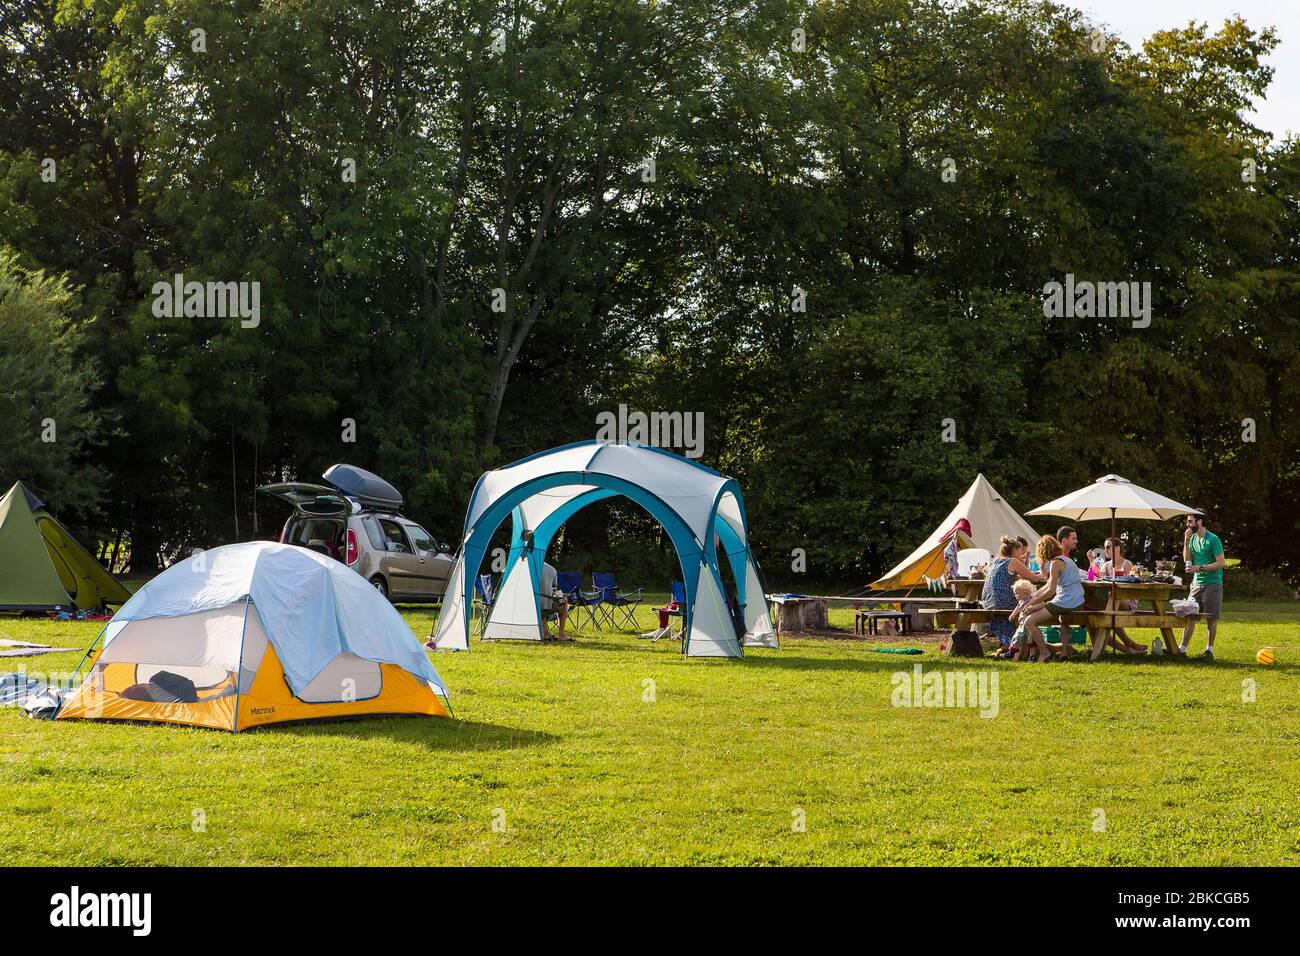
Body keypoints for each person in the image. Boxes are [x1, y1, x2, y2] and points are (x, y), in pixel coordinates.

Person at [1021, 531, 1087, 661]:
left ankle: (1044, 652)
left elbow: (1051, 590)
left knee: (1030, 621)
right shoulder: (1066, 560)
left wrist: (1032, 604)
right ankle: (1063, 653)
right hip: (1077, 601)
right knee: (1064, 620)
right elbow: (1048, 586)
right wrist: (1033, 598)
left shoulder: (1055, 563)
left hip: (1067, 602)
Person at [980, 535, 1046, 652]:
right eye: (1020, 549)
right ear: (1014, 550)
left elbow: (1019, 577)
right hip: (1002, 601)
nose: (1023, 552)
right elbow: (1034, 579)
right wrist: (1044, 573)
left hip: (988, 601)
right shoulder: (1013, 561)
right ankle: (1033, 645)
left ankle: (1018, 643)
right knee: (1032, 605)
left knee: (1025, 600)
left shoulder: (996, 560)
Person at [1180, 512, 1225, 660]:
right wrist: (1186, 542)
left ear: (1199, 522)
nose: (1188, 524)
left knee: (1210, 618)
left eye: (1190, 521)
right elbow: (1187, 559)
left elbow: (1221, 563)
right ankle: (1181, 650)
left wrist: (1199, 568)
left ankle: (1209, 651)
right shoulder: (1192, 538)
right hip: (1196, 584)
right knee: (1189, 616)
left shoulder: (1213, 539)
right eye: (1187, 521)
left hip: (1213, 583)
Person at [1100, 537, 1146, 655]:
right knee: (1110, 616)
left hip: (1127, 601)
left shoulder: (1127, 564)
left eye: (1108, 547)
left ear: (1117, 548)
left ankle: (1129, 645)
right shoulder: (1105, 566)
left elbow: (1130, 587)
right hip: (1111, 600)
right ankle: (1130, 644)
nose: (1105, 550)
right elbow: (1099, 582)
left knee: (1110, 606)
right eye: (1104, 547)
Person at [538, 560, 571, 642]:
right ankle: (561, 634)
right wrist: (562, 597)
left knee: (540, 605)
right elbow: (556, 590)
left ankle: (545, 633)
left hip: (528, 606)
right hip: (547, 606)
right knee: (564, 602)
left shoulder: (522, 567)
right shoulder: (551, 569)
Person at [1007, 578, 1038, 660]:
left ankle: (1033, 655)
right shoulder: (1021, 601)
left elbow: (1042, 604)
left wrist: (1033, 607)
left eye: (1016, 593)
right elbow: (1018, 608)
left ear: (1024, 591)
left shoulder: (1032, 599)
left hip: (1030, 624)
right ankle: (1012, 651)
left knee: (1030, 639)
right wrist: (1013, 614)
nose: (1015, 595)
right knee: (1017, 636)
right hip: (1022, 624)